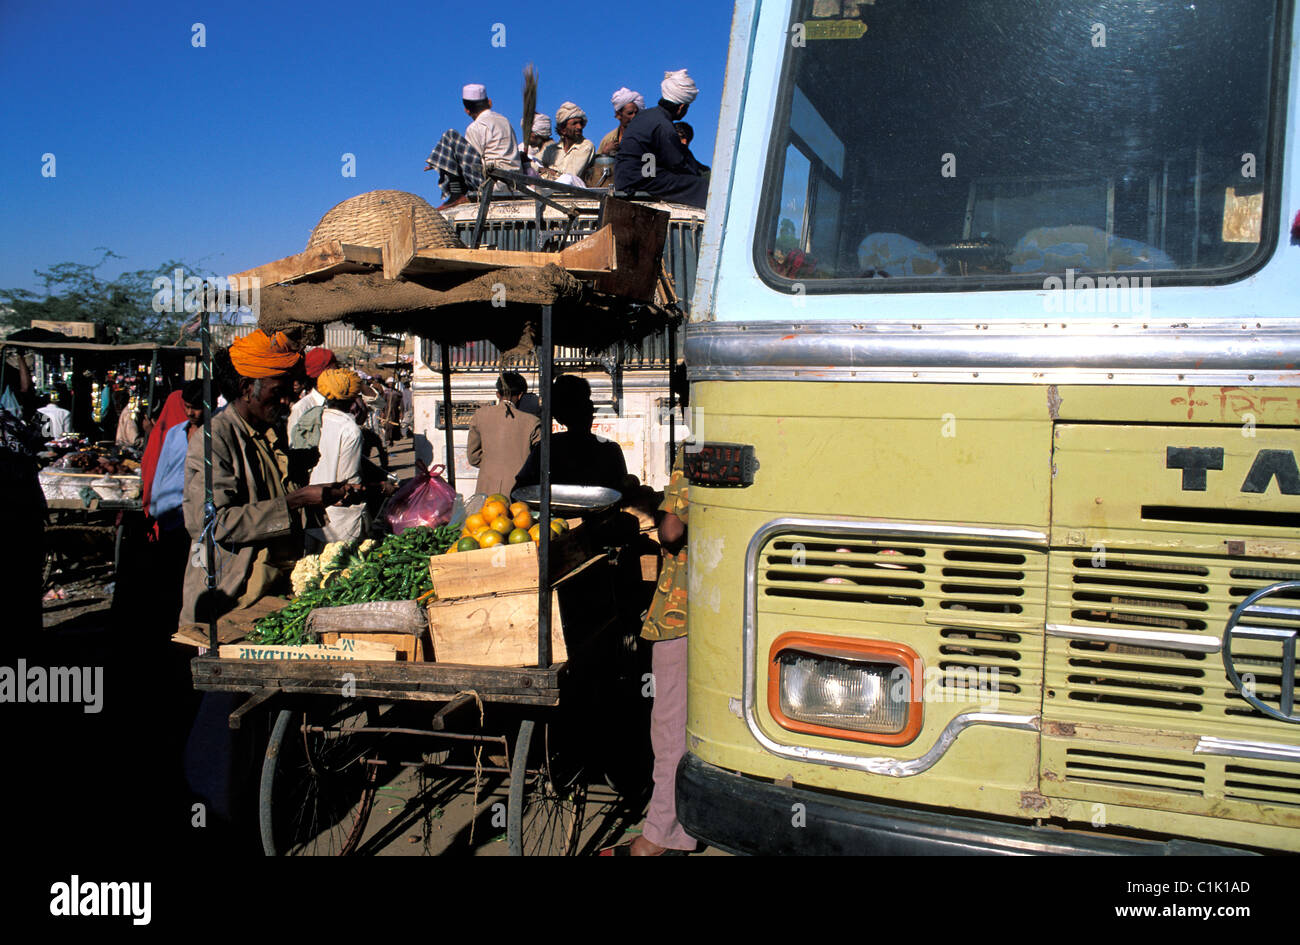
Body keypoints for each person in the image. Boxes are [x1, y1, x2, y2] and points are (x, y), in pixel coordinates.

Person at [179, 330, 347, 627]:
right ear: (246, 388)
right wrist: (296, 501)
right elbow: (211, 524)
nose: (287, 400)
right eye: (277, 390)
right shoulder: (216, 437)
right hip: (235, 597)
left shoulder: (271, 432)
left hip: (275, 591)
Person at [601, 447, 695, 855]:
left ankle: (657, 838)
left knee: (670, 726)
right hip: (720, 601)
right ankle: (684, 826)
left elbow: (672, 530)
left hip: (683, 606)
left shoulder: (699, 448)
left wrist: (653, 508)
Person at [513, 374, 627, 493]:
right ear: (590, 408)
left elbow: (519, 491)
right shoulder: (609, 450)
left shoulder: (546, 449)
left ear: (558, 417)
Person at [615, 69, 709, 208]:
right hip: (640, 179)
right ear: (681, 108)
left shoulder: (645, 115)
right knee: (701, 187)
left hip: (627, 177)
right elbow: (677, 163)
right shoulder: (664, 126)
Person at [424, 83, 518, 210]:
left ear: (467, 110)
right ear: (489, 102)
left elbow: (470, 161)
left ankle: (456, 194)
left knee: (450, 136)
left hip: (494, 182)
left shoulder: (475, 127)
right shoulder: (504, 120)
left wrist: (444, 162)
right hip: (515, 182)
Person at [307, 368, 368, 544]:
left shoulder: (314, 420)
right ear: (353, 400)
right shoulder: (350, 429)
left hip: (313, 512)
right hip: (340, 521)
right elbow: (349, 480)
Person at [467, 372, 541, 499]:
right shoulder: (532, 422)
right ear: (520, 395)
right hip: (518, 491)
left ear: (498, 394)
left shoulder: (479, 415)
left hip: (486, 490)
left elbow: (473, 457)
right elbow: (538, 460)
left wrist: (491, 465)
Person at [541, 102, 595, 181]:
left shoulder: (586, 146)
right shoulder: (551, 150)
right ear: (563, 130)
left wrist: (548, 172)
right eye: (575, 123)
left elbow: (570, 177)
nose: (579, 127)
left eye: (581, 123)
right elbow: (536, 167)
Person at [598, 87, 645, 156]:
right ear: (618, 115)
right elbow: (598, 165)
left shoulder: (646, 135)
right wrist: (605, 153)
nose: (634, 116)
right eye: (630, 113)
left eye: (636, 113)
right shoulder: (608, 139)